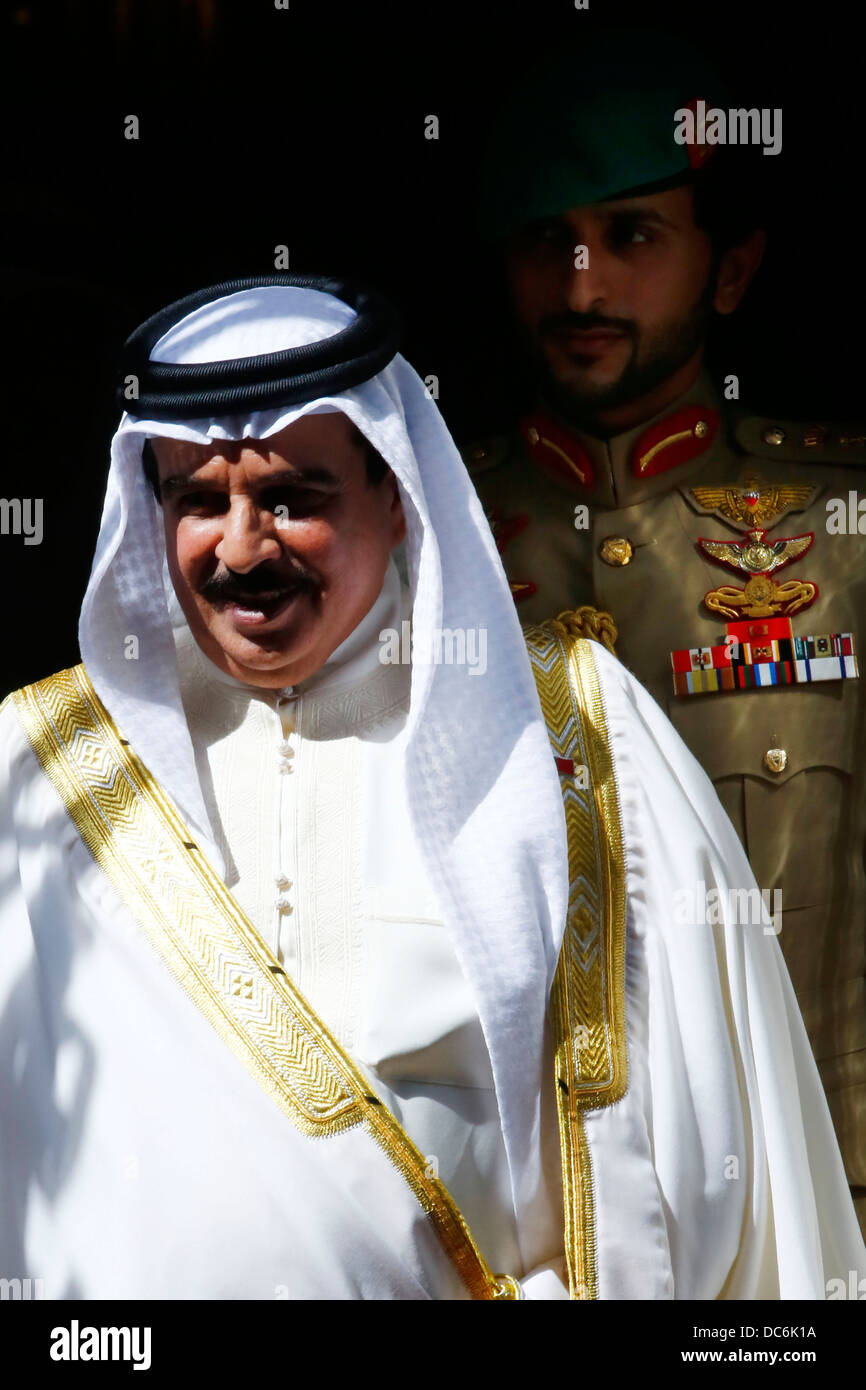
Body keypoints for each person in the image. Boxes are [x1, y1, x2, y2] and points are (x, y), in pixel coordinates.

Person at [0, 274, 862, 1300]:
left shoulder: (580, 733)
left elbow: (736, 1160)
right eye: (198, 501)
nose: (239, 548)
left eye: (289, 498)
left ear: (397, 494)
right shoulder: (44, 769)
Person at [463, 31, 866, 1231]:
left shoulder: (842, 532)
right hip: (522, 1222)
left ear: (730, 270)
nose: (580, 288)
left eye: (631, 237)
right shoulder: (419, 546)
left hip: (818, 1201)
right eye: (546, 242)